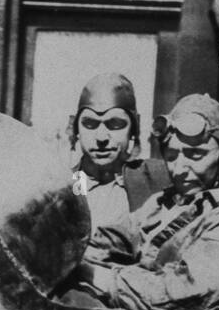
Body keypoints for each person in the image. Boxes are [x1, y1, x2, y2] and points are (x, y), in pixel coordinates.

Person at [78, 93, 219, 310]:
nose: (179, 169)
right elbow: (112, 240)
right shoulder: (164, 203)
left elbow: (185, 295)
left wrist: (102, 278)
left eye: (195, 155)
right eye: (171, 156)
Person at [69, 73, 170, 267]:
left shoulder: (156, 178)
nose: (101, 137)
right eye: (90, 124)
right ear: (76, 129)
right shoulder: (65, 185)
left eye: (115, 124)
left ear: (133, 129)